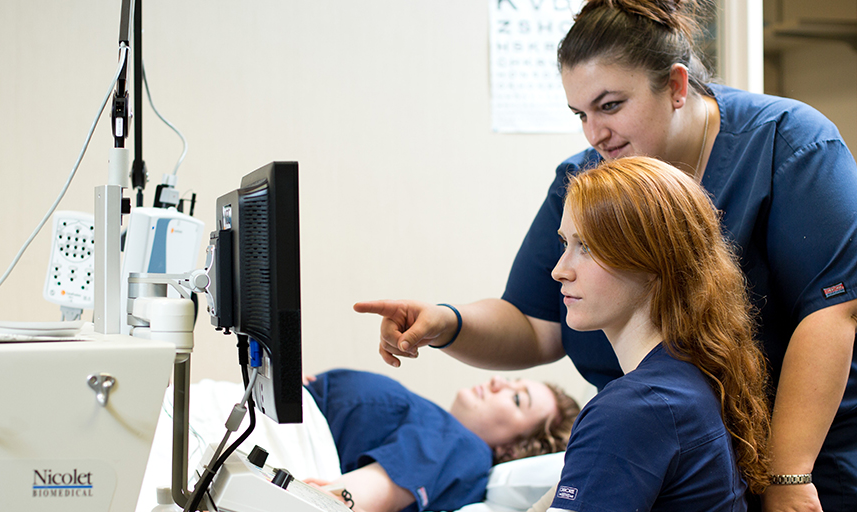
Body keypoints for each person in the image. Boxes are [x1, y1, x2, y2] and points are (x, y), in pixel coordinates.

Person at [354, 1, 857, 511]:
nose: (594, 133)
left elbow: (832, 313)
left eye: (610, 105)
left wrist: (787, 479)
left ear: (677, 87)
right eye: (580, 114)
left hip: (797, 457)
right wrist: (448, 323)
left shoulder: (788, 144)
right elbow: (536, 320)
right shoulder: (587, 178)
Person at [544, 156, 770, 510]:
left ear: (652, 261)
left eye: (586, 247)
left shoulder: (633, 409)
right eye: (565, 243)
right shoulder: (689, 376)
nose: (561, 270)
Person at [304, 369, 579, 512]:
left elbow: (339, 500)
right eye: (512, 381)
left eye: (517, 398)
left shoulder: (464, 447)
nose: (497, 381)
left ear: (513, 448)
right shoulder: (443, 433)